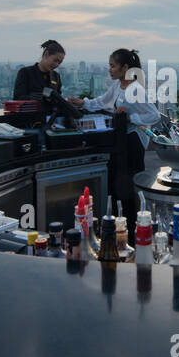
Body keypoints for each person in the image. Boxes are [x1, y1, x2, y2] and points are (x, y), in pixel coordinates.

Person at [68, 49, 160, 236]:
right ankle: (122, 225)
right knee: (120, 184)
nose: (109, 69)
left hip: (134, 142)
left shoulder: (136, 89)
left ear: (125, 67)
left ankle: (136, 227)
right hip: (122, 140)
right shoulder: (118, 85)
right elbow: (102, 101)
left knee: (131, 185)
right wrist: (83, 103)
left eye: (113, 66)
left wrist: (131, 117)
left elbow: (154, 115)